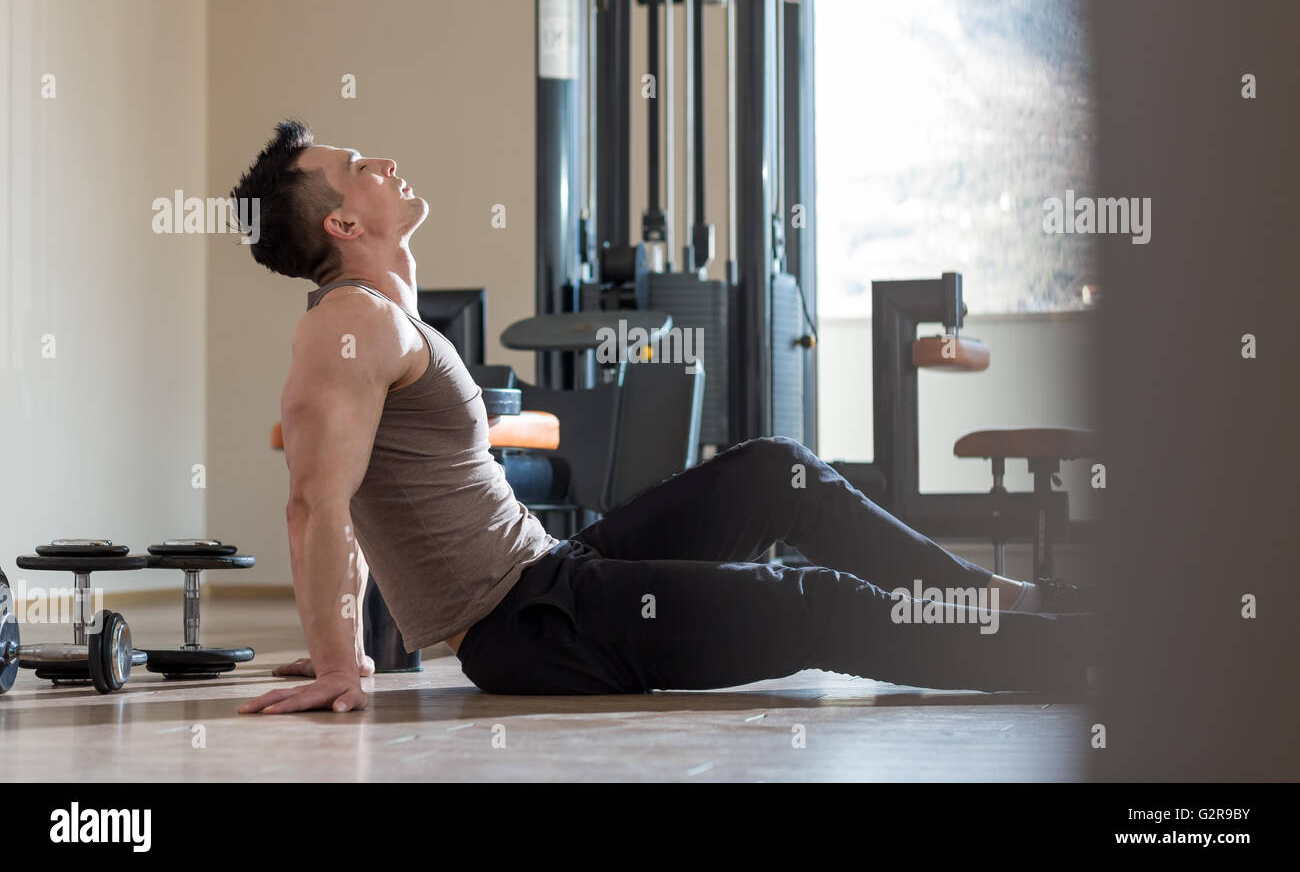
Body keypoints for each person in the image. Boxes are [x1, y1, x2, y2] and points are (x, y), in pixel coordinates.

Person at [229, 121, 1096, 715]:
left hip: (552, 573)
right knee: (814, 605)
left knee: (774, 471)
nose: (380, 161)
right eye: (356, 169)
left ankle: (998, 598)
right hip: (528, 628)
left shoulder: (385, 317)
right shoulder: (346, 326)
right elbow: (317, 500)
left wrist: (336, 636)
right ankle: (1075, 657)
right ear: (343, 221)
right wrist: (340, 659)